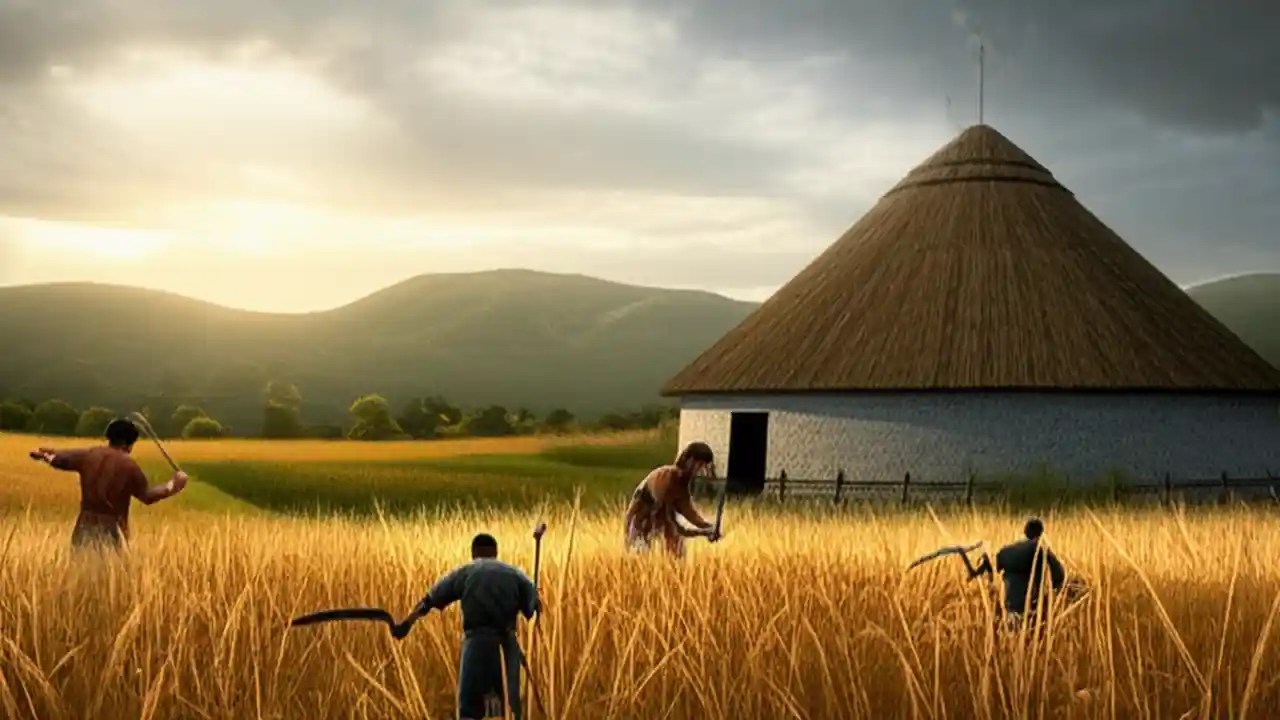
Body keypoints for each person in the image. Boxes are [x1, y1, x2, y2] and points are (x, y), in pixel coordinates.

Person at [393, 533, 539, 720]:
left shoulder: (466, 571)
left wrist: (406, 623)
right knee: (508, 709)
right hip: (506, 646)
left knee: (469, 709)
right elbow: (532, 608)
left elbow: (428, 600)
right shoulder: (515, 574)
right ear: (496, 552)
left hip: (476, 645)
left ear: (473, 553)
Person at [29, 417, 188, 549]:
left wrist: (47, 455)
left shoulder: (90, 455)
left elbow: (61, 459)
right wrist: (173, 485)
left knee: (81, 578)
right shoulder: (128, 466)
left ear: (109, 437)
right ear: (129, 443)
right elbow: (147, 496)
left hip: (83, 527)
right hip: (111, 530)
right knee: (109, 580)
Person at [623, 441, 720, 557]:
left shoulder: (682, 487)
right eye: (699, 464)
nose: (700, 470)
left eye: (703, 466)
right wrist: (703, 532)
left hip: (659, 526)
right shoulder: (666, 477)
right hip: (640, 525)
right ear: (688, 460)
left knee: (678, 555)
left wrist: (710, 528)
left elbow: (691, 515)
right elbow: (672, 522)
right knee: (646, 558)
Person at [962, 517, 1066, 626]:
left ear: (1025, 532)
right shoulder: (1040, 549)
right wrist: (1053, 590)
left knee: (1010, 628)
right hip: (1030, 605)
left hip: (1008, 603)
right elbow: (1058, 574)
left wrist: (977, 573)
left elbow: (991, 566)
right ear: (1040, 532)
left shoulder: (1007, 550)